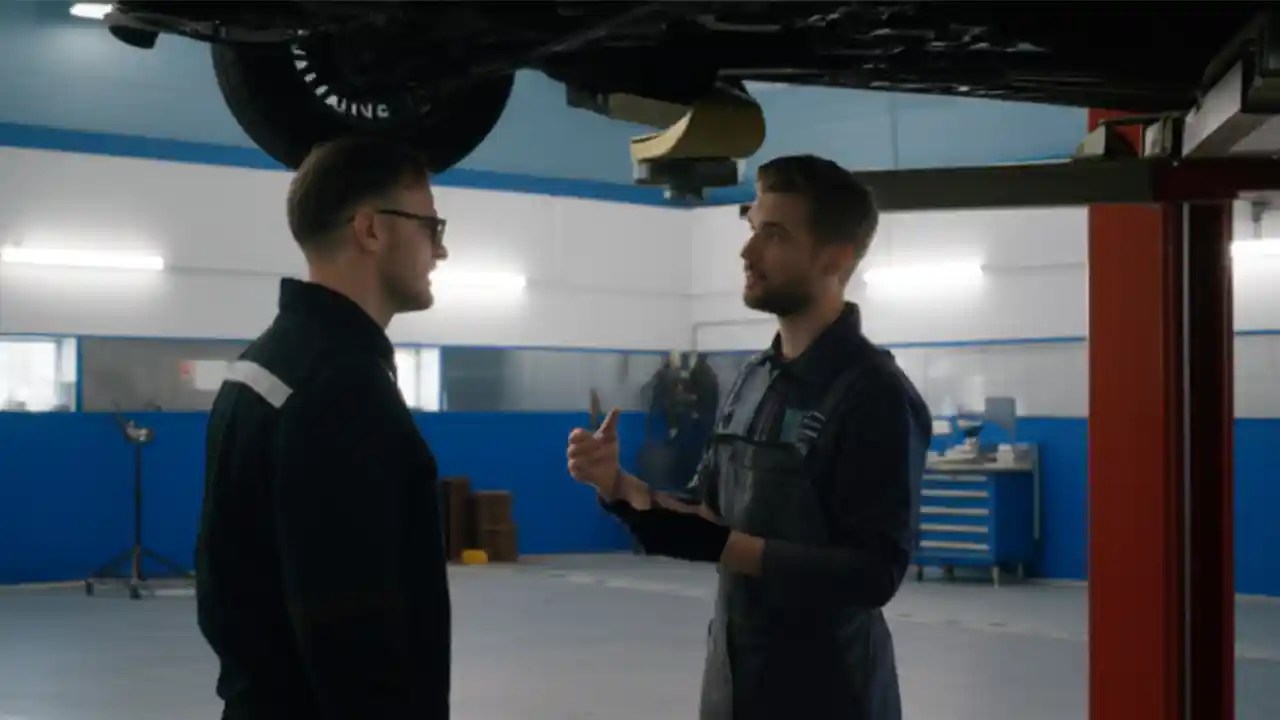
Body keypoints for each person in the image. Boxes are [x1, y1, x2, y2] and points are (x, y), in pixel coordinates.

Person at [567, 154, 931, 720]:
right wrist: (619, 485)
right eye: (752, 228)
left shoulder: (874, 394)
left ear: (834, 259)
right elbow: (708, 507)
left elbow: (873, 572)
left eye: (774, 235)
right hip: (736, 684)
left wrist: (725, 547)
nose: (747, 252)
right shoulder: (754, 379)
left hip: (830, 696)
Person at [196, 136, 452, 719]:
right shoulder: (343, 391)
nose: (441, 252)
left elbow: (222, 595)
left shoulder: (262, 364)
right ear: (370, 230)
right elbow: (356, 633)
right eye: (431, 228)